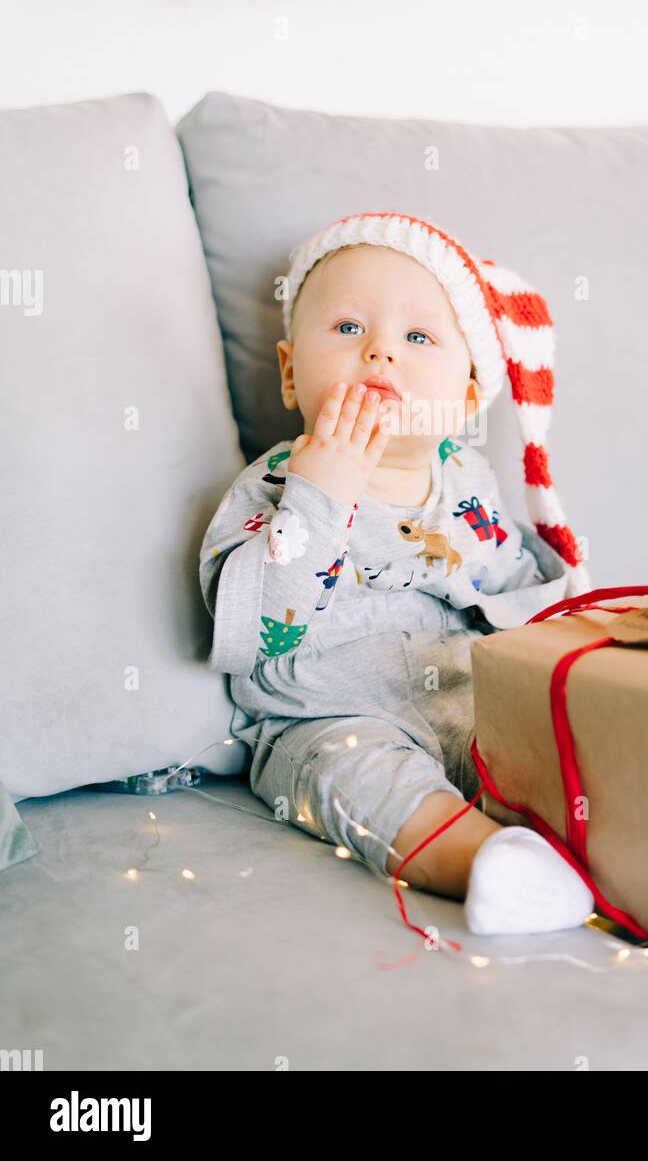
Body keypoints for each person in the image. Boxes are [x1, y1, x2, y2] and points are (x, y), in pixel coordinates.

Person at [199, 211, 595, 934]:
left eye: (417, 338)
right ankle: (489, 864)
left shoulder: (467, 480)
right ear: (291, 373)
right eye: (348, 328)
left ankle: (603, 841)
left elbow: (510, 588)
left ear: (468, 399)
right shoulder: (273, 487)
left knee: (568, 745)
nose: (380, 351)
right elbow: (255, 637)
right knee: (360, 778)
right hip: (331, 716)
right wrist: (321, 494)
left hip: (470, 700)